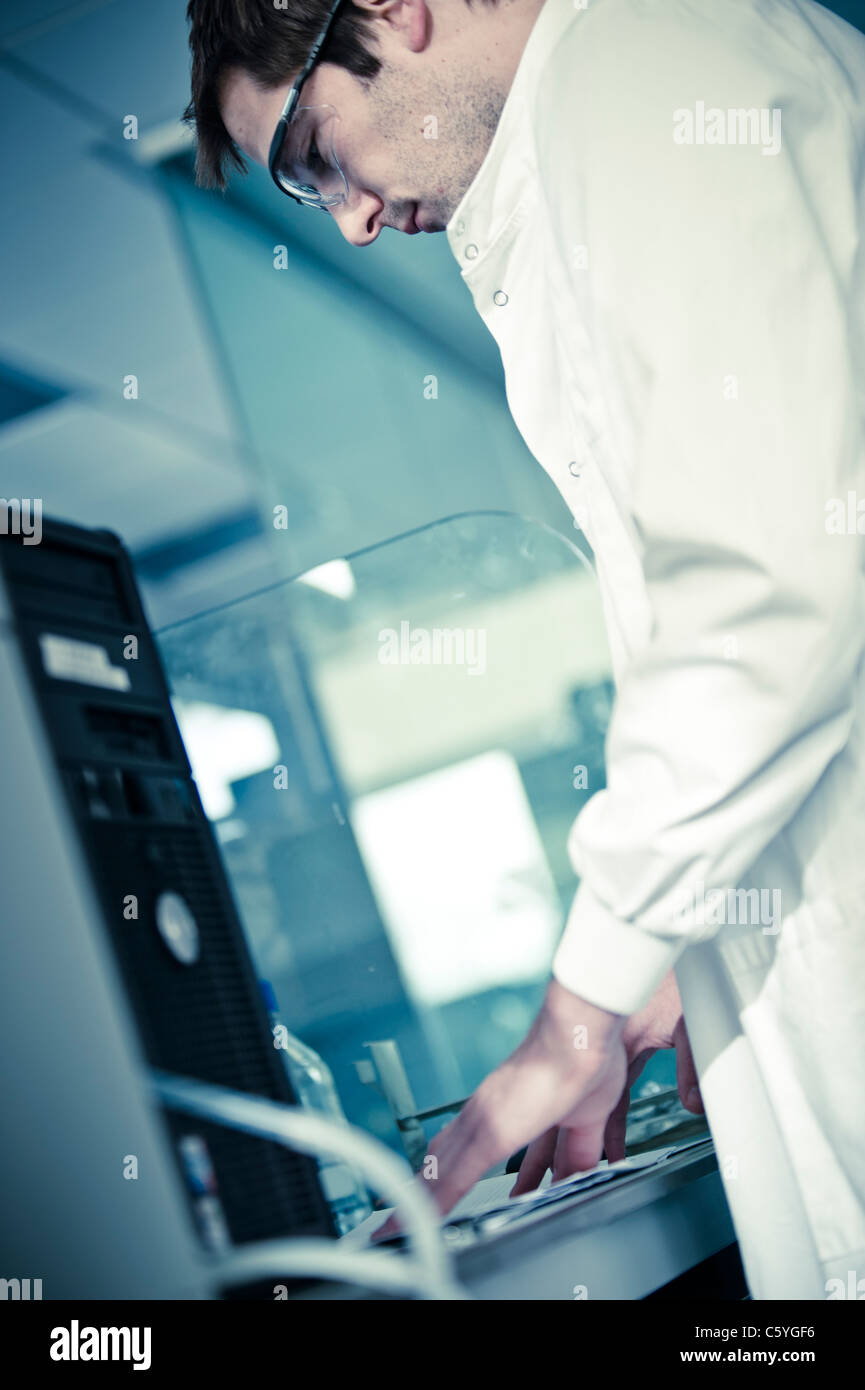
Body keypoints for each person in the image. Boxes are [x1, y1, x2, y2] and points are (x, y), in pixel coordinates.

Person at [184, 0, 865, 1299]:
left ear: (389, 11)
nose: (349, 220)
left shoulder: (644, 71)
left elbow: (762, 597)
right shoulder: (614, 110)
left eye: (314, 156)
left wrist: (578, 1008)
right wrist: (685, 937)